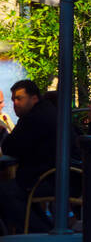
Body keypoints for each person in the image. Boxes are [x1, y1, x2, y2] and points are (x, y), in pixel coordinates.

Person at [0, 80, 58, 233]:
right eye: (13, 100)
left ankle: (37, 231)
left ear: (34, 98)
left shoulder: (33, 118)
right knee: (17, 191)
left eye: (19, 98)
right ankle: (45, 229)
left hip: (50, 178)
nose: (14, 104)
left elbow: (10, 148)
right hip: (63, 175)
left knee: (6, 191)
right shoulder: (48, 111)